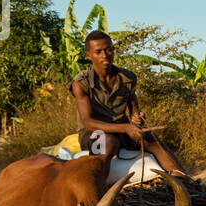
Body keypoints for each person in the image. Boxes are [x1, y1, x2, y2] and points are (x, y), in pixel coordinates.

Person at [71, 30, 188, 181]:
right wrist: (125, 128)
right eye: (98, 52)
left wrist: (137, 117)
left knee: (152, 138)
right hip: (94, 135)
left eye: (108, 49)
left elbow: (134, 109)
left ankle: (186, 183)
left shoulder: (127, 78)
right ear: (88, 55)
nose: (105, 55)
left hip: (123, 131)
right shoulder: (81, 82)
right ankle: (99, 190)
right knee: (109, 142)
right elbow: (88, 122)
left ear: (113, 50)